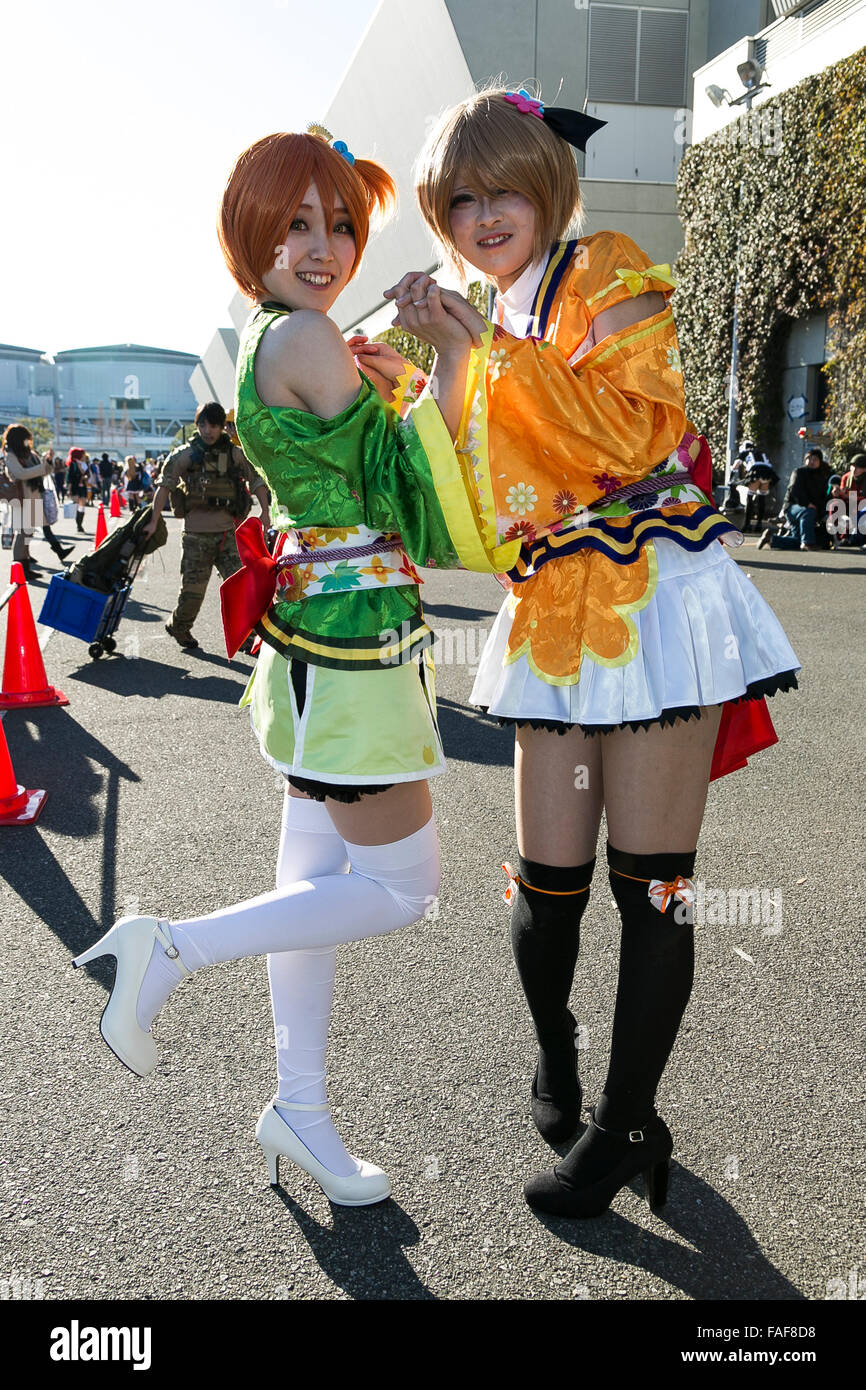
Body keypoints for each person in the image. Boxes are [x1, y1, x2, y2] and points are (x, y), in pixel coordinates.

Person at [381, 85, 801, 1219]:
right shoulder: (475, 311)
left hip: (654, 604)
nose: (482, 214)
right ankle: (560, 1056)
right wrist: (418, 382)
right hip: (551, 608)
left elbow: (633, 431)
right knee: (547, 883)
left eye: (503, 187)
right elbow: (470, 506)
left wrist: (481, 357)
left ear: (547, 187)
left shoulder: (606, 265)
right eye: (459, 198)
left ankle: (624, 1125)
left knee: (650, 888)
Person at [74, 128, 491, 1207]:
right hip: (348, 654)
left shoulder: (280, 335)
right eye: (296, 221)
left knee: (312, 890)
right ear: (248, 230)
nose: (324, 245)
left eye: (342, 222)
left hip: (320, 645)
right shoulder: (305, 333)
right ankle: (167, 950)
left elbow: (376, 475)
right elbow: (415, 510)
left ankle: (297, 1107)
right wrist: (450, 362)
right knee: (402, 890)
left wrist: (402, 381)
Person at [143, 402, 270, 650]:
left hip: (227, 536)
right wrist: (153, 520)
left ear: (222, 426)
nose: (207, 430)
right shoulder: (185, 455)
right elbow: (164, 485)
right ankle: (179, 626)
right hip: (195, 538)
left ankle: (246, 637)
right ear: (196, 424)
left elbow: (256, 480)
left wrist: (265, 512)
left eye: (213, 425)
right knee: (192, 593)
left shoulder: (235, 454)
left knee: (241, 588)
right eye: (202, 424)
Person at [1, 424, 74, 577]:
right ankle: (21, 569)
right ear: (19, 439)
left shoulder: (28, 454)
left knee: (28, 533)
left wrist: (47, 461)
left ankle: (25, 566)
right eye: (26, 438)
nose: (28, 441)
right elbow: (21, 474)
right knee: (23, 533)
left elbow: (42, 472)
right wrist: (42, 467)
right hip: (21, 498)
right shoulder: (10, 454)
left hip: (33, 496)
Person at [759, 448, 832, 551]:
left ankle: (771, 539)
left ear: (820, 462)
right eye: (809, 458)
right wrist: (807, 504)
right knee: (808, 512)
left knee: (797, 541)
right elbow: (795, 491)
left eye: (815, 459)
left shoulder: (822, 476)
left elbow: (823, 497)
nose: (811, 461)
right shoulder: (799, 472)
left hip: (808, 514)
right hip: (792, 508)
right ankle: (807, 543)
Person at [735, 440, 779, 534]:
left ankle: (747, 524)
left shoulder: (744, 452)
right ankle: (759, 524)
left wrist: (731, 477)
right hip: (768, 472)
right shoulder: (760, 452)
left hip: (755, 471)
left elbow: (736, 465)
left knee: (750, 497)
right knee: (762, 497)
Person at [64, 447, 90, 532]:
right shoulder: (73, 464)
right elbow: (70, 477)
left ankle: (79, 525)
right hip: (75, 487)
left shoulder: (84, 464)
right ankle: (78, 525)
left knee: (82, 505)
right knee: (77, 504)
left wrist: (85, 477)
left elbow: (87, 474)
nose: (84, 456)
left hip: (83, 487)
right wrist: (69, 489)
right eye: (82, 454)